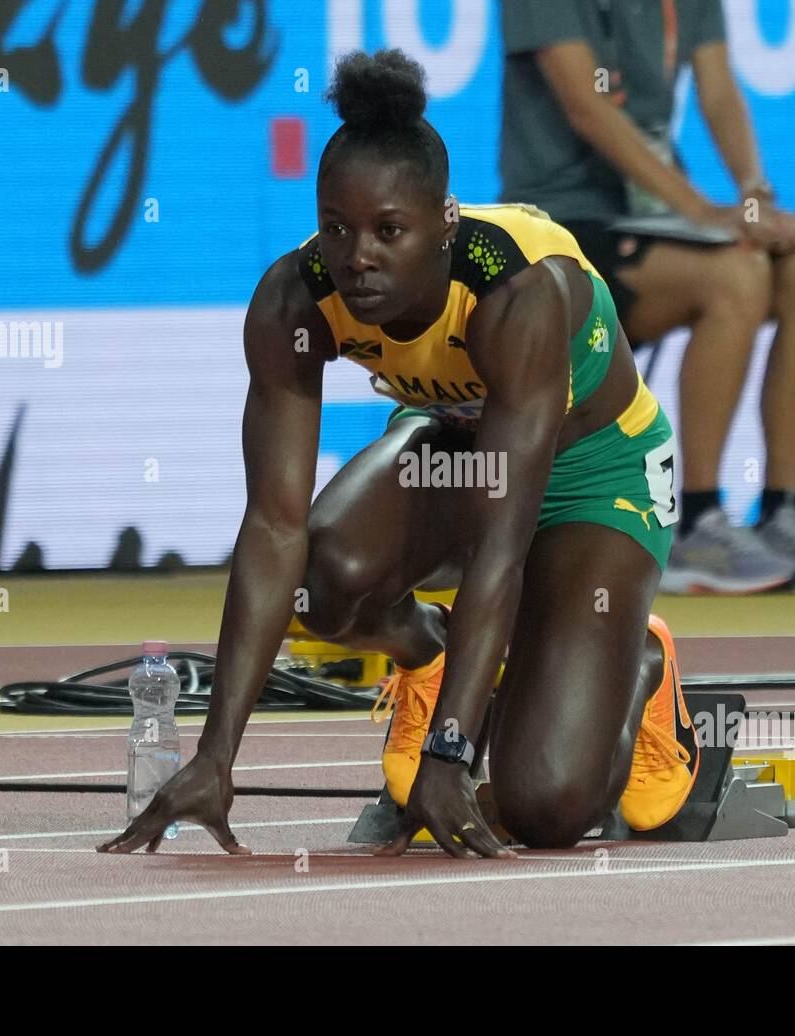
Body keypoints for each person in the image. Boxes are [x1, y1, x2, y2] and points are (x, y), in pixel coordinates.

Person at [98, 49, 700, 858]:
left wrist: (451, 756)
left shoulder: (514, 295)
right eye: (338, 228)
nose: (359, 258)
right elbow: (274, 530)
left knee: (548, 807)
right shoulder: (294, 301)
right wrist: (216, 755)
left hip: (596, 473)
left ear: (444, 221)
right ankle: (428, 654)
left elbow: (500, 546)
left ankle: (638, 670)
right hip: (456, 450)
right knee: (318, 584)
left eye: (389, 231)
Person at [499, 0, 795, 593]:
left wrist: (751, 197)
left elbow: (717, 90)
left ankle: (781, 512)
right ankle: (696, 518)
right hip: (565, 226)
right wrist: (701, 212)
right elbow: (585, 107)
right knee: (734, 275)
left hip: (657, 221)